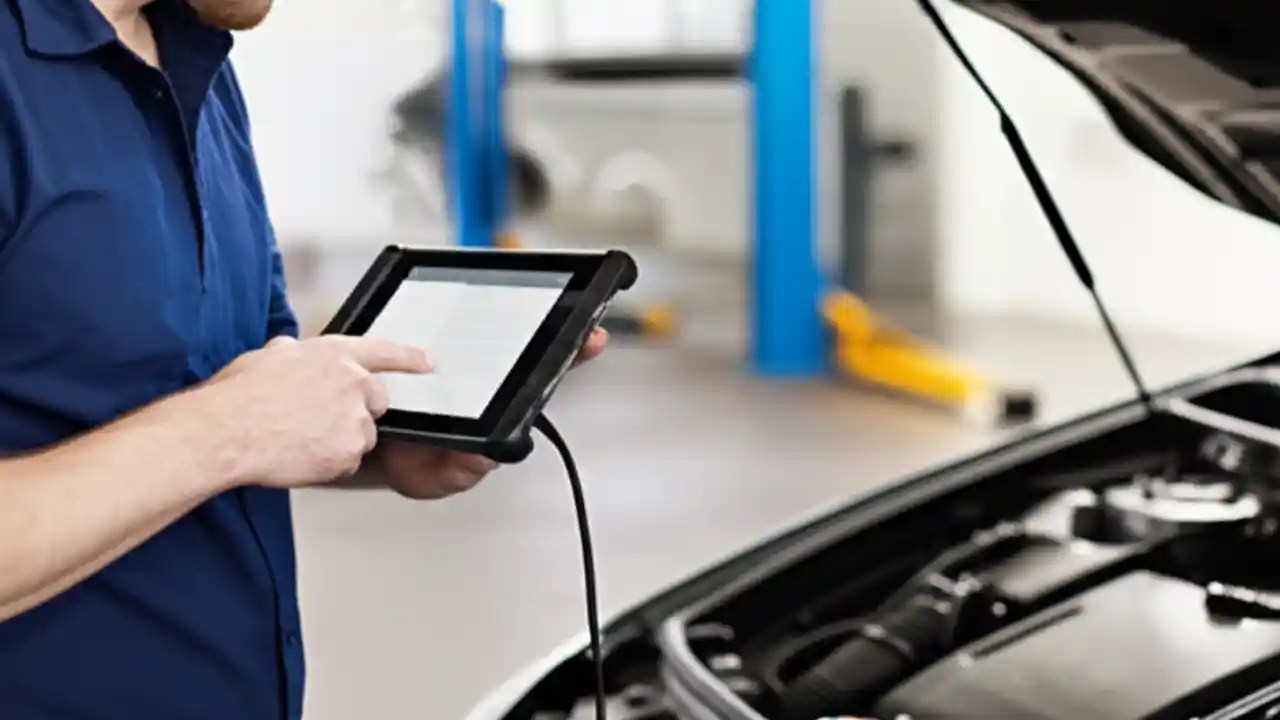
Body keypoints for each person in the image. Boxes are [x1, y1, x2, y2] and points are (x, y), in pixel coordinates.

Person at [0, 0, 608, 717]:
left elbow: (224, 388)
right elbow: (224, 422)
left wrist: (377, 446)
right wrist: (227, 431)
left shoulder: (195, 63)